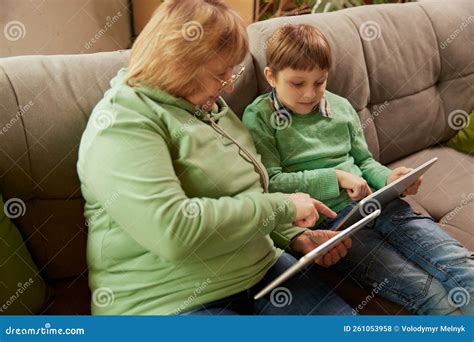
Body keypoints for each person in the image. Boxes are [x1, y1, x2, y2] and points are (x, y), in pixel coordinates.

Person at [77, 0, 354, 315]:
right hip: (169, 301)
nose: (229, 84)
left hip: (262, 272)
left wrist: (295, 236)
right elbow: (173, 231)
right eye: (221, 74)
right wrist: (283, 207)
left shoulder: (210, 109)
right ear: (180, 62)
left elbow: (247, 196)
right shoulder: (121, 123)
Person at [242, 23, 474, 315]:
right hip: (333, 227)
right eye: (297, 83)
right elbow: (272, 184)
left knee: (461, 266)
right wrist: (335, 178)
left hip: (379, 205)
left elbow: (364, 162)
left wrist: (389, 178)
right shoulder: (260, 118)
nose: (310, 94)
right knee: (429, 293)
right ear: (271, 77)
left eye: (320, 82)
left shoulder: (340, 108)